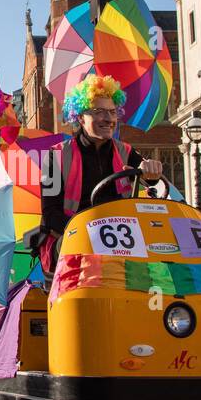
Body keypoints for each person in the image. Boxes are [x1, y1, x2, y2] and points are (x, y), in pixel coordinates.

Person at [38, 75, 163, 273]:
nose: (108, 119)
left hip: (122, 240)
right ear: (80, 117)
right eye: (99, 112)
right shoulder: (55, 157)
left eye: (112, 112)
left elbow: (155, 184)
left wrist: (152, 173)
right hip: (72, 238)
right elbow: (50, 214)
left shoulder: (127, 152)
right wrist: (88, 232)